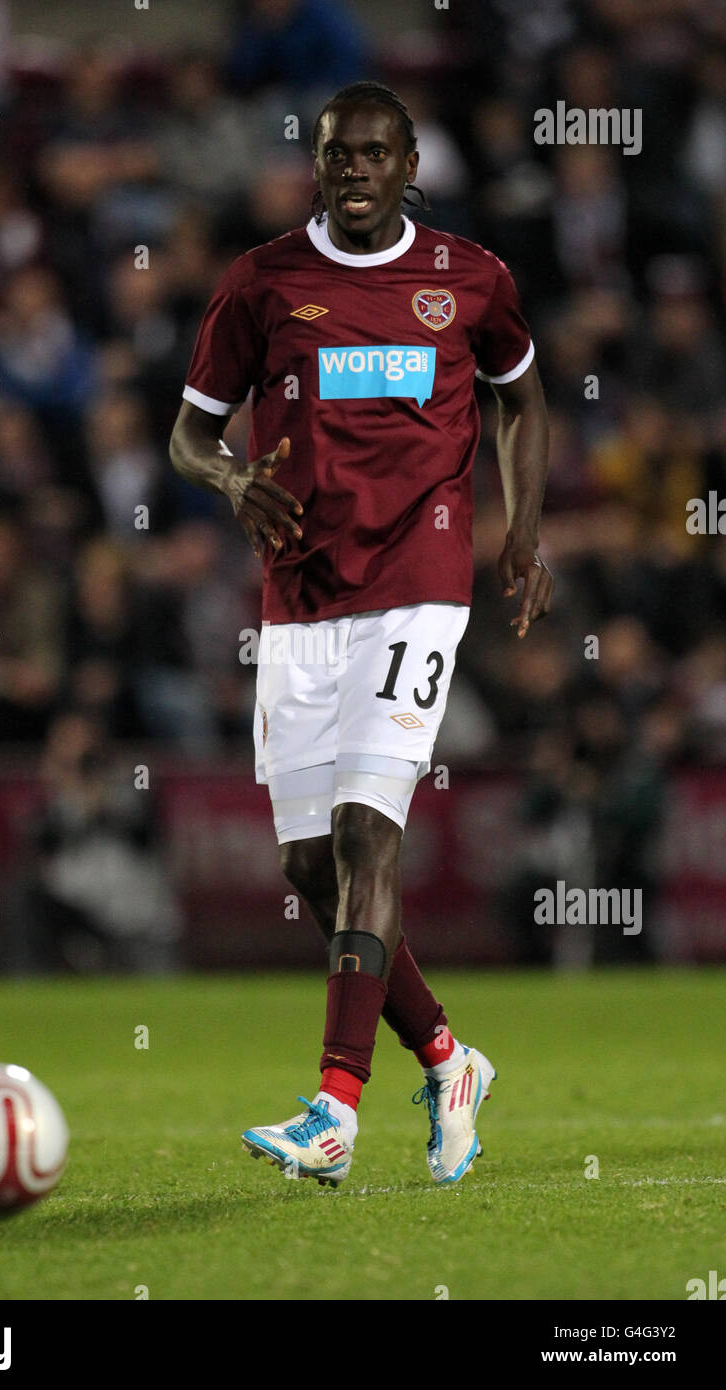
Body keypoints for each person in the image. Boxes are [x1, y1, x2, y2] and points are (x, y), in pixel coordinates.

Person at [169, 81, 553, 1188]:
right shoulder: (262, 284)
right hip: (299, 597)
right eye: (336, 153)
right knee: (307, 867)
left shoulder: (467, 279)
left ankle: (333, 1109)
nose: (353, 170)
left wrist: (521, 527)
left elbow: (521, 399)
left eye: (374, 154)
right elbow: (189, 434)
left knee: (361, 835)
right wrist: (233, 477)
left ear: (409, 162)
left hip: (420, 582)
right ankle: (446, 1056)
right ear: (317, 163)